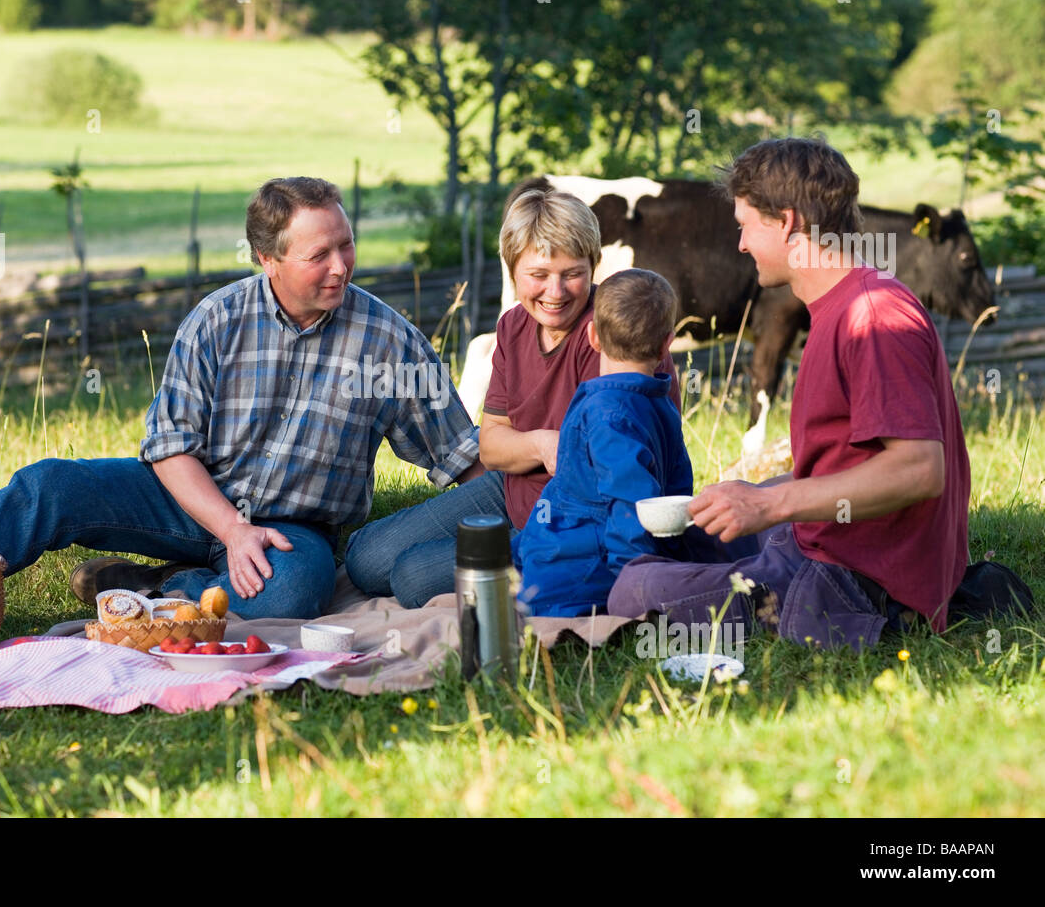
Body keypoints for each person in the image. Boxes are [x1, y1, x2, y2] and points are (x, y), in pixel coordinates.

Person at [0, 178, 482, 620]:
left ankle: (146, 590)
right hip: (188, 496)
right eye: (319, 255)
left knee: (297, 594)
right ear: (265, 257)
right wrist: (227, 528)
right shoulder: (217, 321)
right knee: (49, 485)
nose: (341, 266)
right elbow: (170, 449)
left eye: (346, 246)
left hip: (290, 530)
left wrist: (530, 496)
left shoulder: (390, 342)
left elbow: (459, 460)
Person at [606, 137, 971, 649]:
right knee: (669, 537)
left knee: (631, 587)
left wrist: (772, 506)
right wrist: (758, 496)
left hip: (861, 585)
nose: (740, 245)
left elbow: (919, 470)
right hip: (826, 538)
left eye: (746, 226)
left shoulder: (873, 318)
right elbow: (846, 461)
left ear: (788, 222)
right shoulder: (838, 304)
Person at [345, 182, 680, 608]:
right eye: (538, 275)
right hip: (510, 488)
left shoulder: (615, 334)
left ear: (594, 265)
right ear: (512, 270)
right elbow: (491, 446)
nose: (555, 292)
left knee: (413, 578)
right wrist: (541, 443)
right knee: (365, 561)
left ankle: (523, 559)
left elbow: (617, 471)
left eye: (572, 274)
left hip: (574, 522)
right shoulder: (513, 326)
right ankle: (501, 550)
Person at [512, 269, 692, 617]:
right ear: (666, 343)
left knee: (533, 598)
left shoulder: (608, 413)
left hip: (589, 556)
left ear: (592, 336)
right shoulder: (660, 401)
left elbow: (630, 505)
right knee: (507, 557)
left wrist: (635, 582)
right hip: (574, 533)